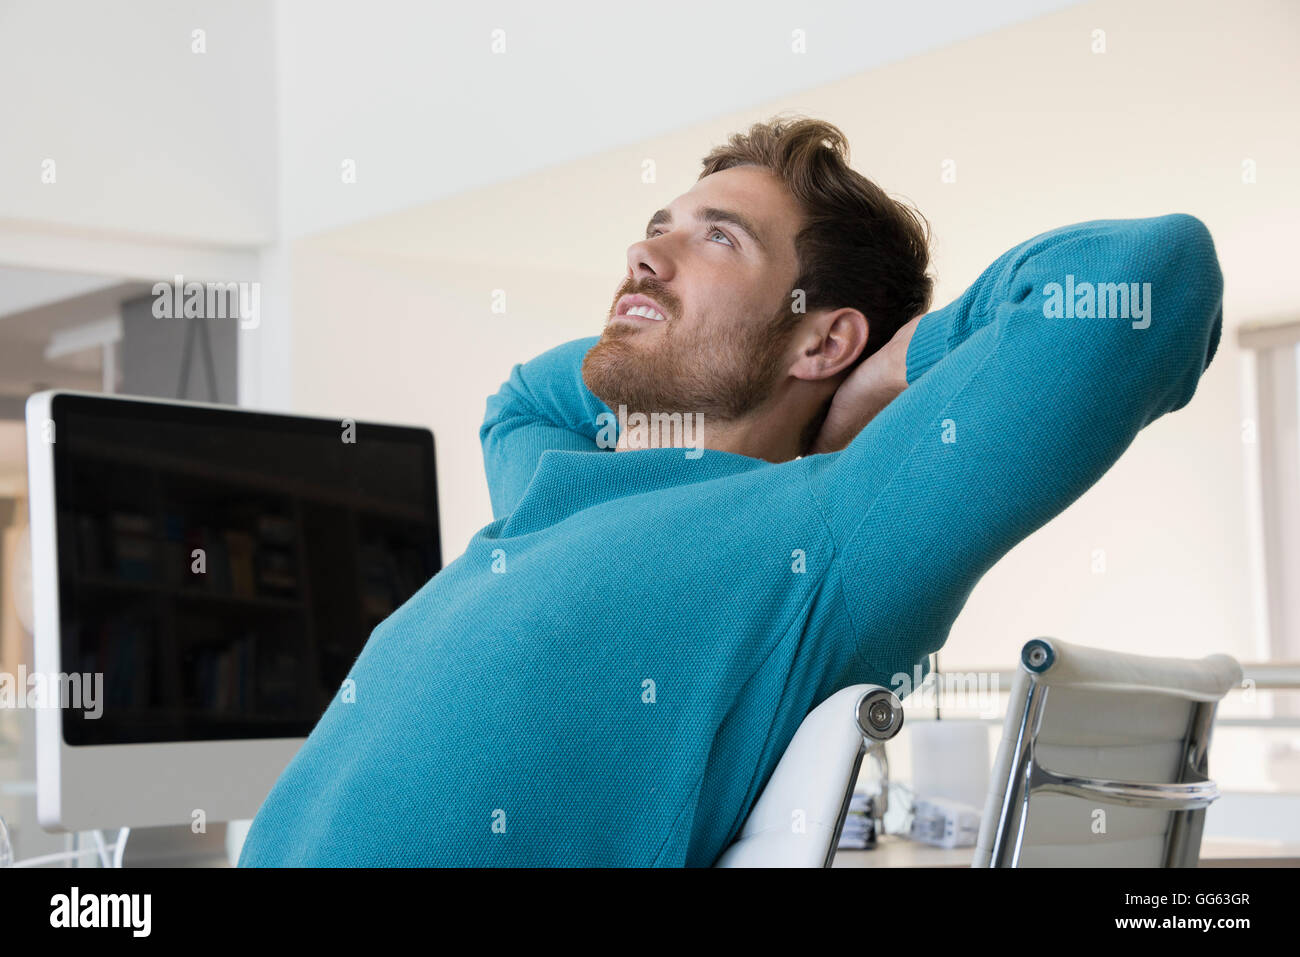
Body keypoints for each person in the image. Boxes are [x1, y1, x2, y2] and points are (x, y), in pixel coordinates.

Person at [238, 115, 1223, 867]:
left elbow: (1148, 278)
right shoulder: (556, 485)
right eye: (653, 229)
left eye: (717, 240)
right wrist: (679, 324)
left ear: (821, 336)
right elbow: (528, 393)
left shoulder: (831, 529)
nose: (644, 253)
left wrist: (878, 377)